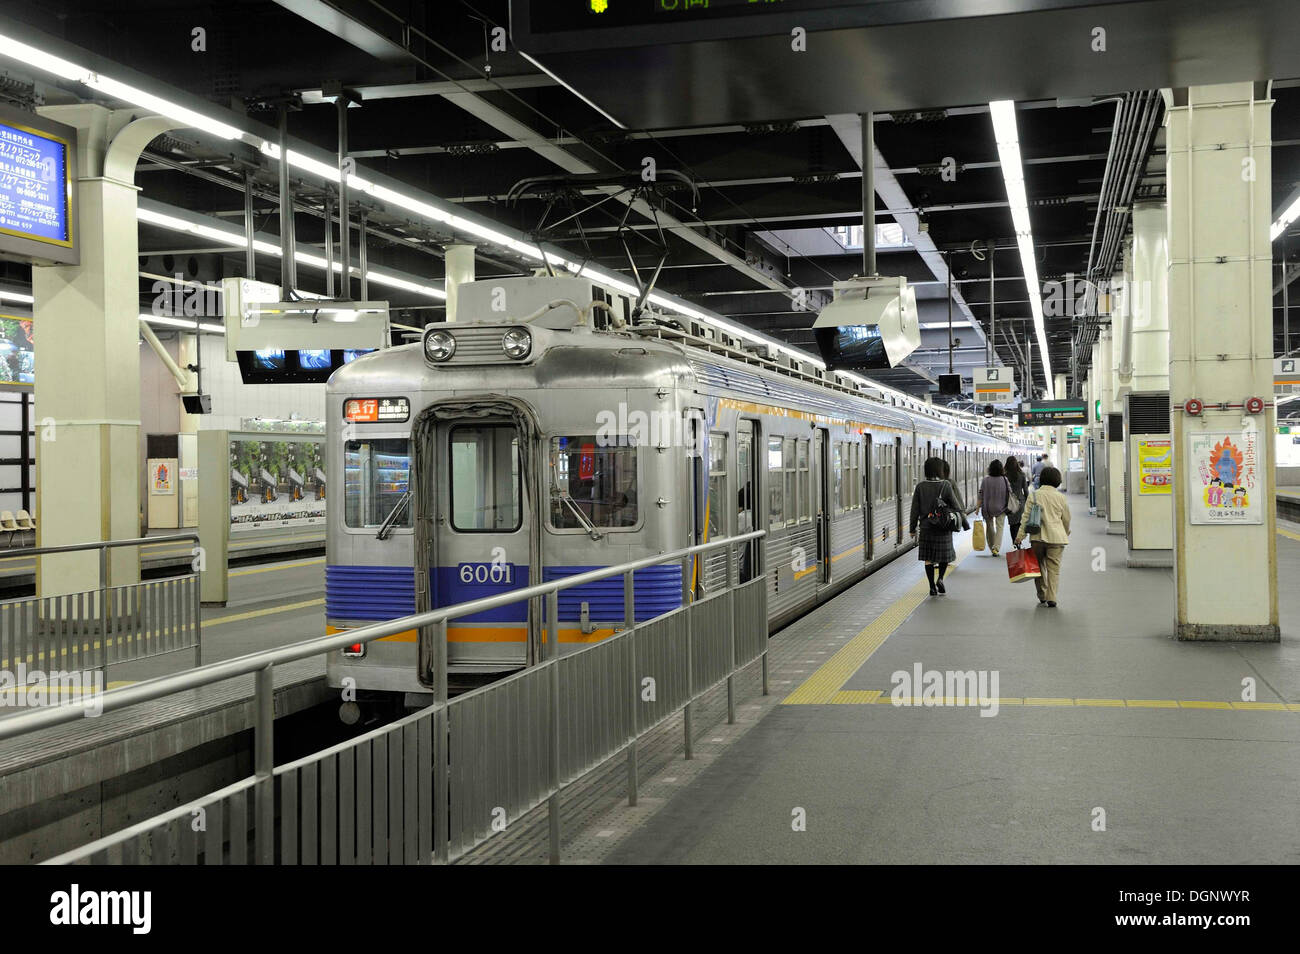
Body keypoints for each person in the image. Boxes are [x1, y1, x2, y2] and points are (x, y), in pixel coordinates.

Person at [1014, 465, 1072, 607]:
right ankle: (1052, 597)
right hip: (1057, 538)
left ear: (1042, 479)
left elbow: (1026, 517)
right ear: (1057, 480)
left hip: (1037, 538)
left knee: (1038, 567)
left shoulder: (1034, 495)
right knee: (1054, 569)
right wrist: (1065, 532)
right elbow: (1066, 519)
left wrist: (1020, 535)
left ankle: (1042, 594)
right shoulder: (1061, 498)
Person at [909, 456, 968, 597]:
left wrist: (912, 529)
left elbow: (914, 510)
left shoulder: (920, 487)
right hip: (943, 527)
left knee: (928, 558)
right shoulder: (946, 485)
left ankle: (931, 587)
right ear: (940, 470)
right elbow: (956, 506)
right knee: (944, 557)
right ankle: (940, 579)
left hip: (926, 528)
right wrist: (962, 521)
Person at [977, 459, 1011, 557]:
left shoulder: (985, 479)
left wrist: (977, 507)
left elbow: (980, 494)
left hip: (988, 508)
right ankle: (996, 548)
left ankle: (991, 546)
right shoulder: (1004, 479)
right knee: (1000, 527)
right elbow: (1010, 492)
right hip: (1002, 507)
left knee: (990, 527)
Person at [1004, 456, 1029, 542]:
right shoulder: (1022, 475)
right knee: (1019, 523)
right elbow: (1025, 490)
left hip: (1009, 503)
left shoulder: (1004, 476)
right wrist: (1028, 501)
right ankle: (1018, 541)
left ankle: (1014, 541)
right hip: (1020, 502)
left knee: (1012, 524)